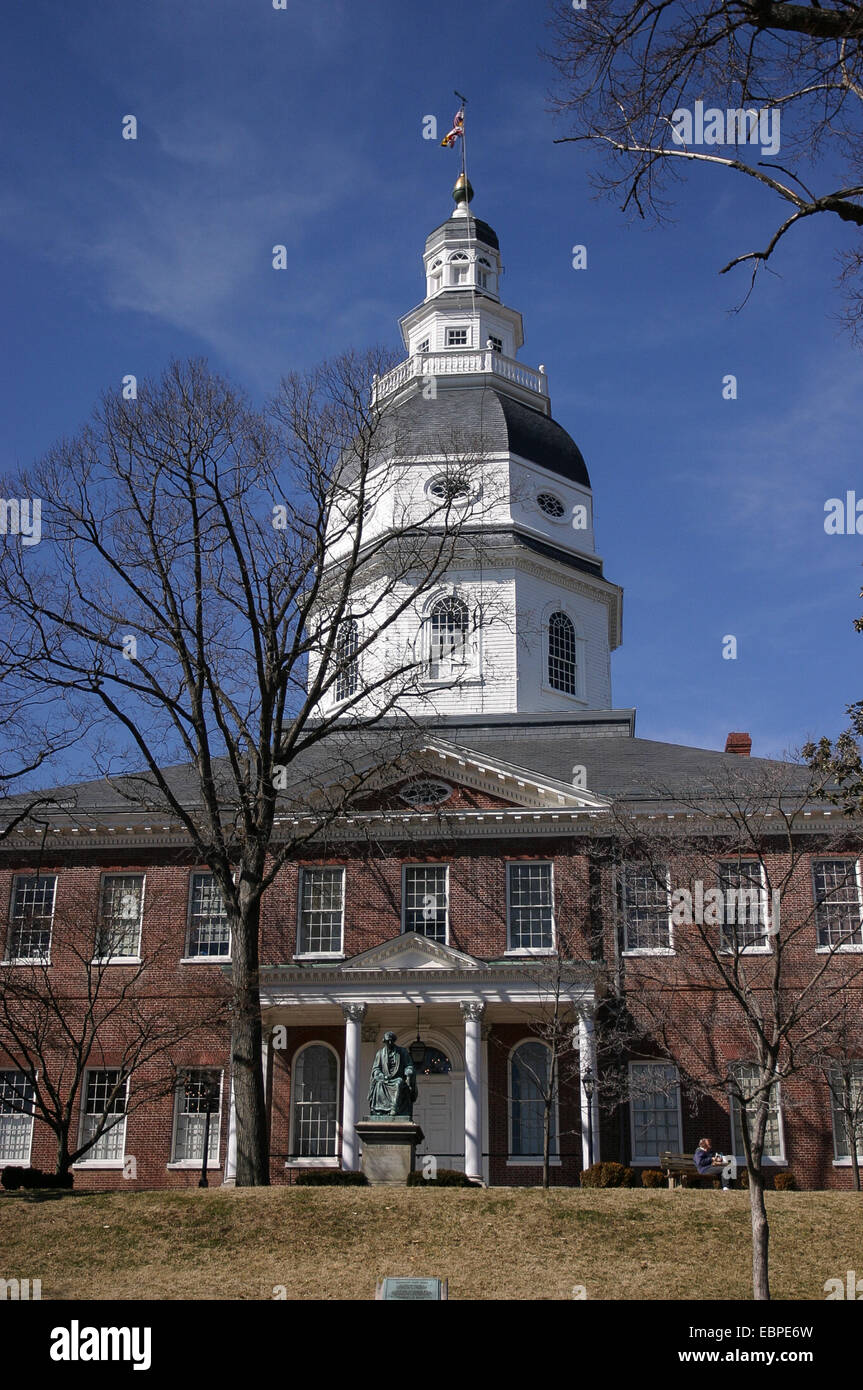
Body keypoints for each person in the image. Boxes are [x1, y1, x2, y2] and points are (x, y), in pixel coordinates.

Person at [368, 1031, 418, 1119]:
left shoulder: (402, 1052)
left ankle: (394, 1108)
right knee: (379, 1084)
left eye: (391, 1041)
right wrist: (380, 1075)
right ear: (385, 1041)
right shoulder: (380, 1054)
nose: (389, 1043)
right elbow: (376, 1068)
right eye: (388, 1041)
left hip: (397, 1078)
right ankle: (379, 1110)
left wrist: (408, 1070)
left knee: (398, 1083)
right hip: (384, 1079)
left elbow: (408, 1065)